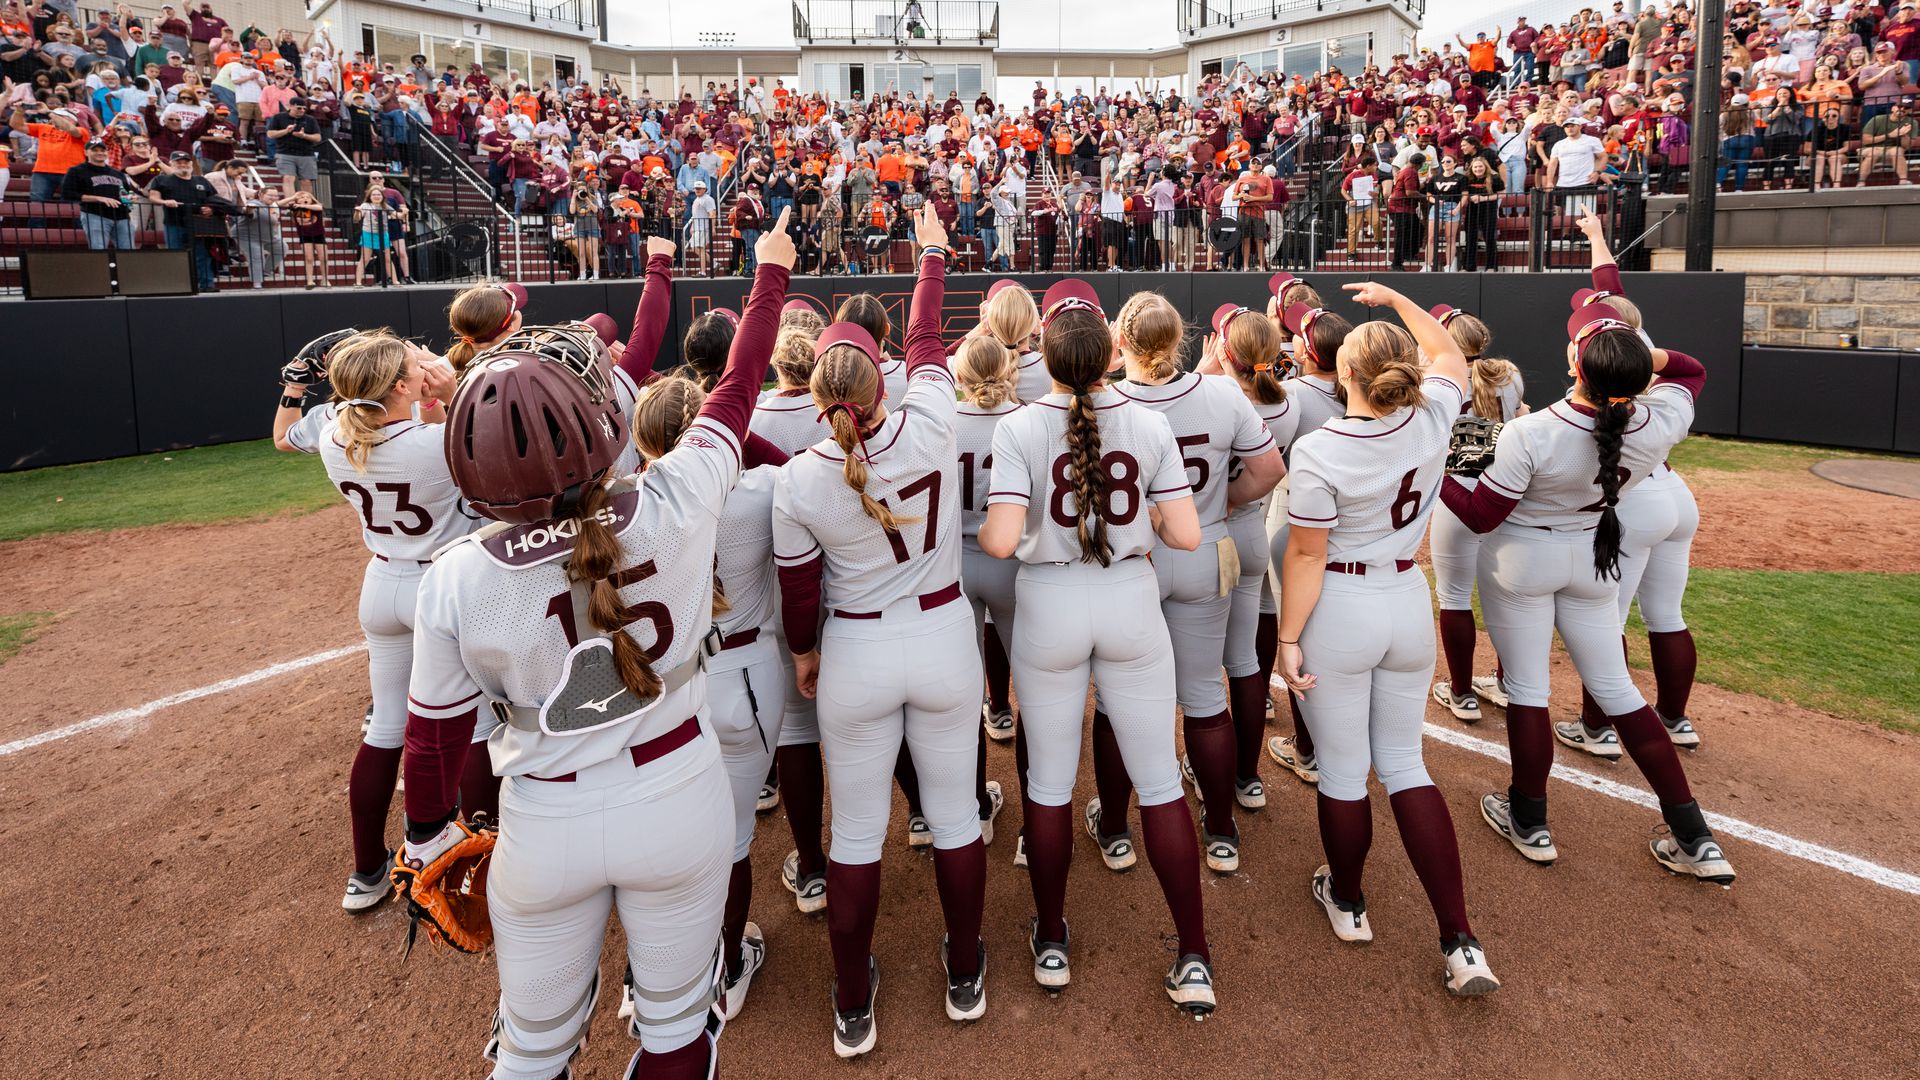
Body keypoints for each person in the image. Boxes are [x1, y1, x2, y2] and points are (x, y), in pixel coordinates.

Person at [399, 224, 794, 1080]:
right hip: (677, 794)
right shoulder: (676, 498)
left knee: (532, 1054)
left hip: (543, 819)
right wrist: (769, 273)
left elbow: (431, 741)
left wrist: (426, 839)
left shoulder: (457, 576)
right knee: (677, 1033)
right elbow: (740, 383)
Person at [771, 208, 991, 1056]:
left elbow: (799, 596)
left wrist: (803, 653)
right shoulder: (931, 421)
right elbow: (929, 339)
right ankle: (965, 972)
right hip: (941, 639)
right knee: (954, 817)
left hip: (857, 648)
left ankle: (854, 1003)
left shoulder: (797, 477)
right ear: (879, 386)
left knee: (857, 834)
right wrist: (932, 253)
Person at [1439, 273, 1735, 887]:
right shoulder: (1658, 421)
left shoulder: (1531, 430)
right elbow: (1692, 370)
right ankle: (1695, 836)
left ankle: (1530, 818)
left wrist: (1435, 465)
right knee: (1620, 691)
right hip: (1596, 556)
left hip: (1524, 559)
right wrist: (1634, 352)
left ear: (1575, 360)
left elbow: (1480, 514)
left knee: (1528, 688)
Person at [977, 278, 1216, 1018]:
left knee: (1048, 784)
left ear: (1041, 359)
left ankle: (1051, 939)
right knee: (1160, 783)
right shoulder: (1147, 424)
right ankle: (1195, 956)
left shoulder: (1017, 427)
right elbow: (1186, 535)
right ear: (1112, 356)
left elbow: (1001, 541)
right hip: (1128, 599)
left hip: (1049, 602)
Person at [1275, 282, 1499, 993]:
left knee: (1343, 771)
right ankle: (1461, 941)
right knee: (1405, 764)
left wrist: (1286, 639)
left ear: (1344, 373)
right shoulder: (1433, 413)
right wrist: (1399, 300)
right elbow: (1449, 356)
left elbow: (1306, 557)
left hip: (1341, 601)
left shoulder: (1319, 449)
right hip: (1406, 595)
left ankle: (1348, 902)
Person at [267, 330, 490, 912]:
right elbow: (502, 435)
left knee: (387, 723)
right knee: (478, 725)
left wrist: (294, 383)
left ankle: (366, 874)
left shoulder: (335, 430)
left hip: (383, 583)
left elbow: (282, 439)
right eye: (413, 366)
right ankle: (480, 857)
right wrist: (459, 385)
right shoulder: (437, 442)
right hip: (440, 587)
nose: (422, 367)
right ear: (398, 386)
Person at [1094, 292, 1282, 877]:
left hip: (1136, 561)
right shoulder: (1222, 392)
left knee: (1116, 699)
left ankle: (1117, 828)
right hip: (1205, 546)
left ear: (1120, 341)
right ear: (1179, 340)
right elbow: (1270, 469)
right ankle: (1221, 830)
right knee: (1205, 694)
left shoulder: (1103, 402)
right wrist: (1219, 503)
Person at [627, 374, 785, 1022]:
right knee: (734, 841)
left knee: (658, 840)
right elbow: (791, 463)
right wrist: (740, 432)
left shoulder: (626, 510)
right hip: (743, 678)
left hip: (659, 691)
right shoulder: (762, 490)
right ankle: (724, 971)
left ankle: (650, 979)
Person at [1562, 212, 1702, 752]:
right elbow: (1611, 290)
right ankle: (1675, 718)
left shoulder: (1600, 370)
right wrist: (1597, 236)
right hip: (1674, 495)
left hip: (1634, 501)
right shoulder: (1647, 357)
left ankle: (1597, 728)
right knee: (1666, 614)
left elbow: (1606, 297)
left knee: (1608, 619)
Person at [1196, 303, 1297, 818]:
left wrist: (1202, 370)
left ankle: (1208, 767)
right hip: (1253, 532)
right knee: (1244, 662)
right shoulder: (1288, 402)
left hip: (1215, 535)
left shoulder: (1212, 395)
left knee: (1201, 668)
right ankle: (1248, 776)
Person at [1266, 286, 1355, 785]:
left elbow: (1265, 455)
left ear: (1309, 349)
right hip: (1348, 520)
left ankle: (1307, 747)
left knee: (1294, 628)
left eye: (1300, 338)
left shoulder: (1295, 393)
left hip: (1293, 511)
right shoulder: (1354, 389)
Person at [1426, 305, 1527, 722]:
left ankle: (1463, 693)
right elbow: (1521, 414)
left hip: (1457, 493)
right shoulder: (1509, 376)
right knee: (1507, 597)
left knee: (1453, 596)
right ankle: (1506, 683)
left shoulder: (1439, 383)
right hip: (1502, 492)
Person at [61, 137, 135, 249]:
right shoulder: (76, 171)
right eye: (95, 150)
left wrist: (130, 199)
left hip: (122, 217)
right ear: (86, 152)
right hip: (95, 215)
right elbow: (68, 194)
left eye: (102, 150)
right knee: (99, 251)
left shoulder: (118, 173)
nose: (99, 153)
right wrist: (99, 198)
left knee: (128, 252)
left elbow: (125, 195)